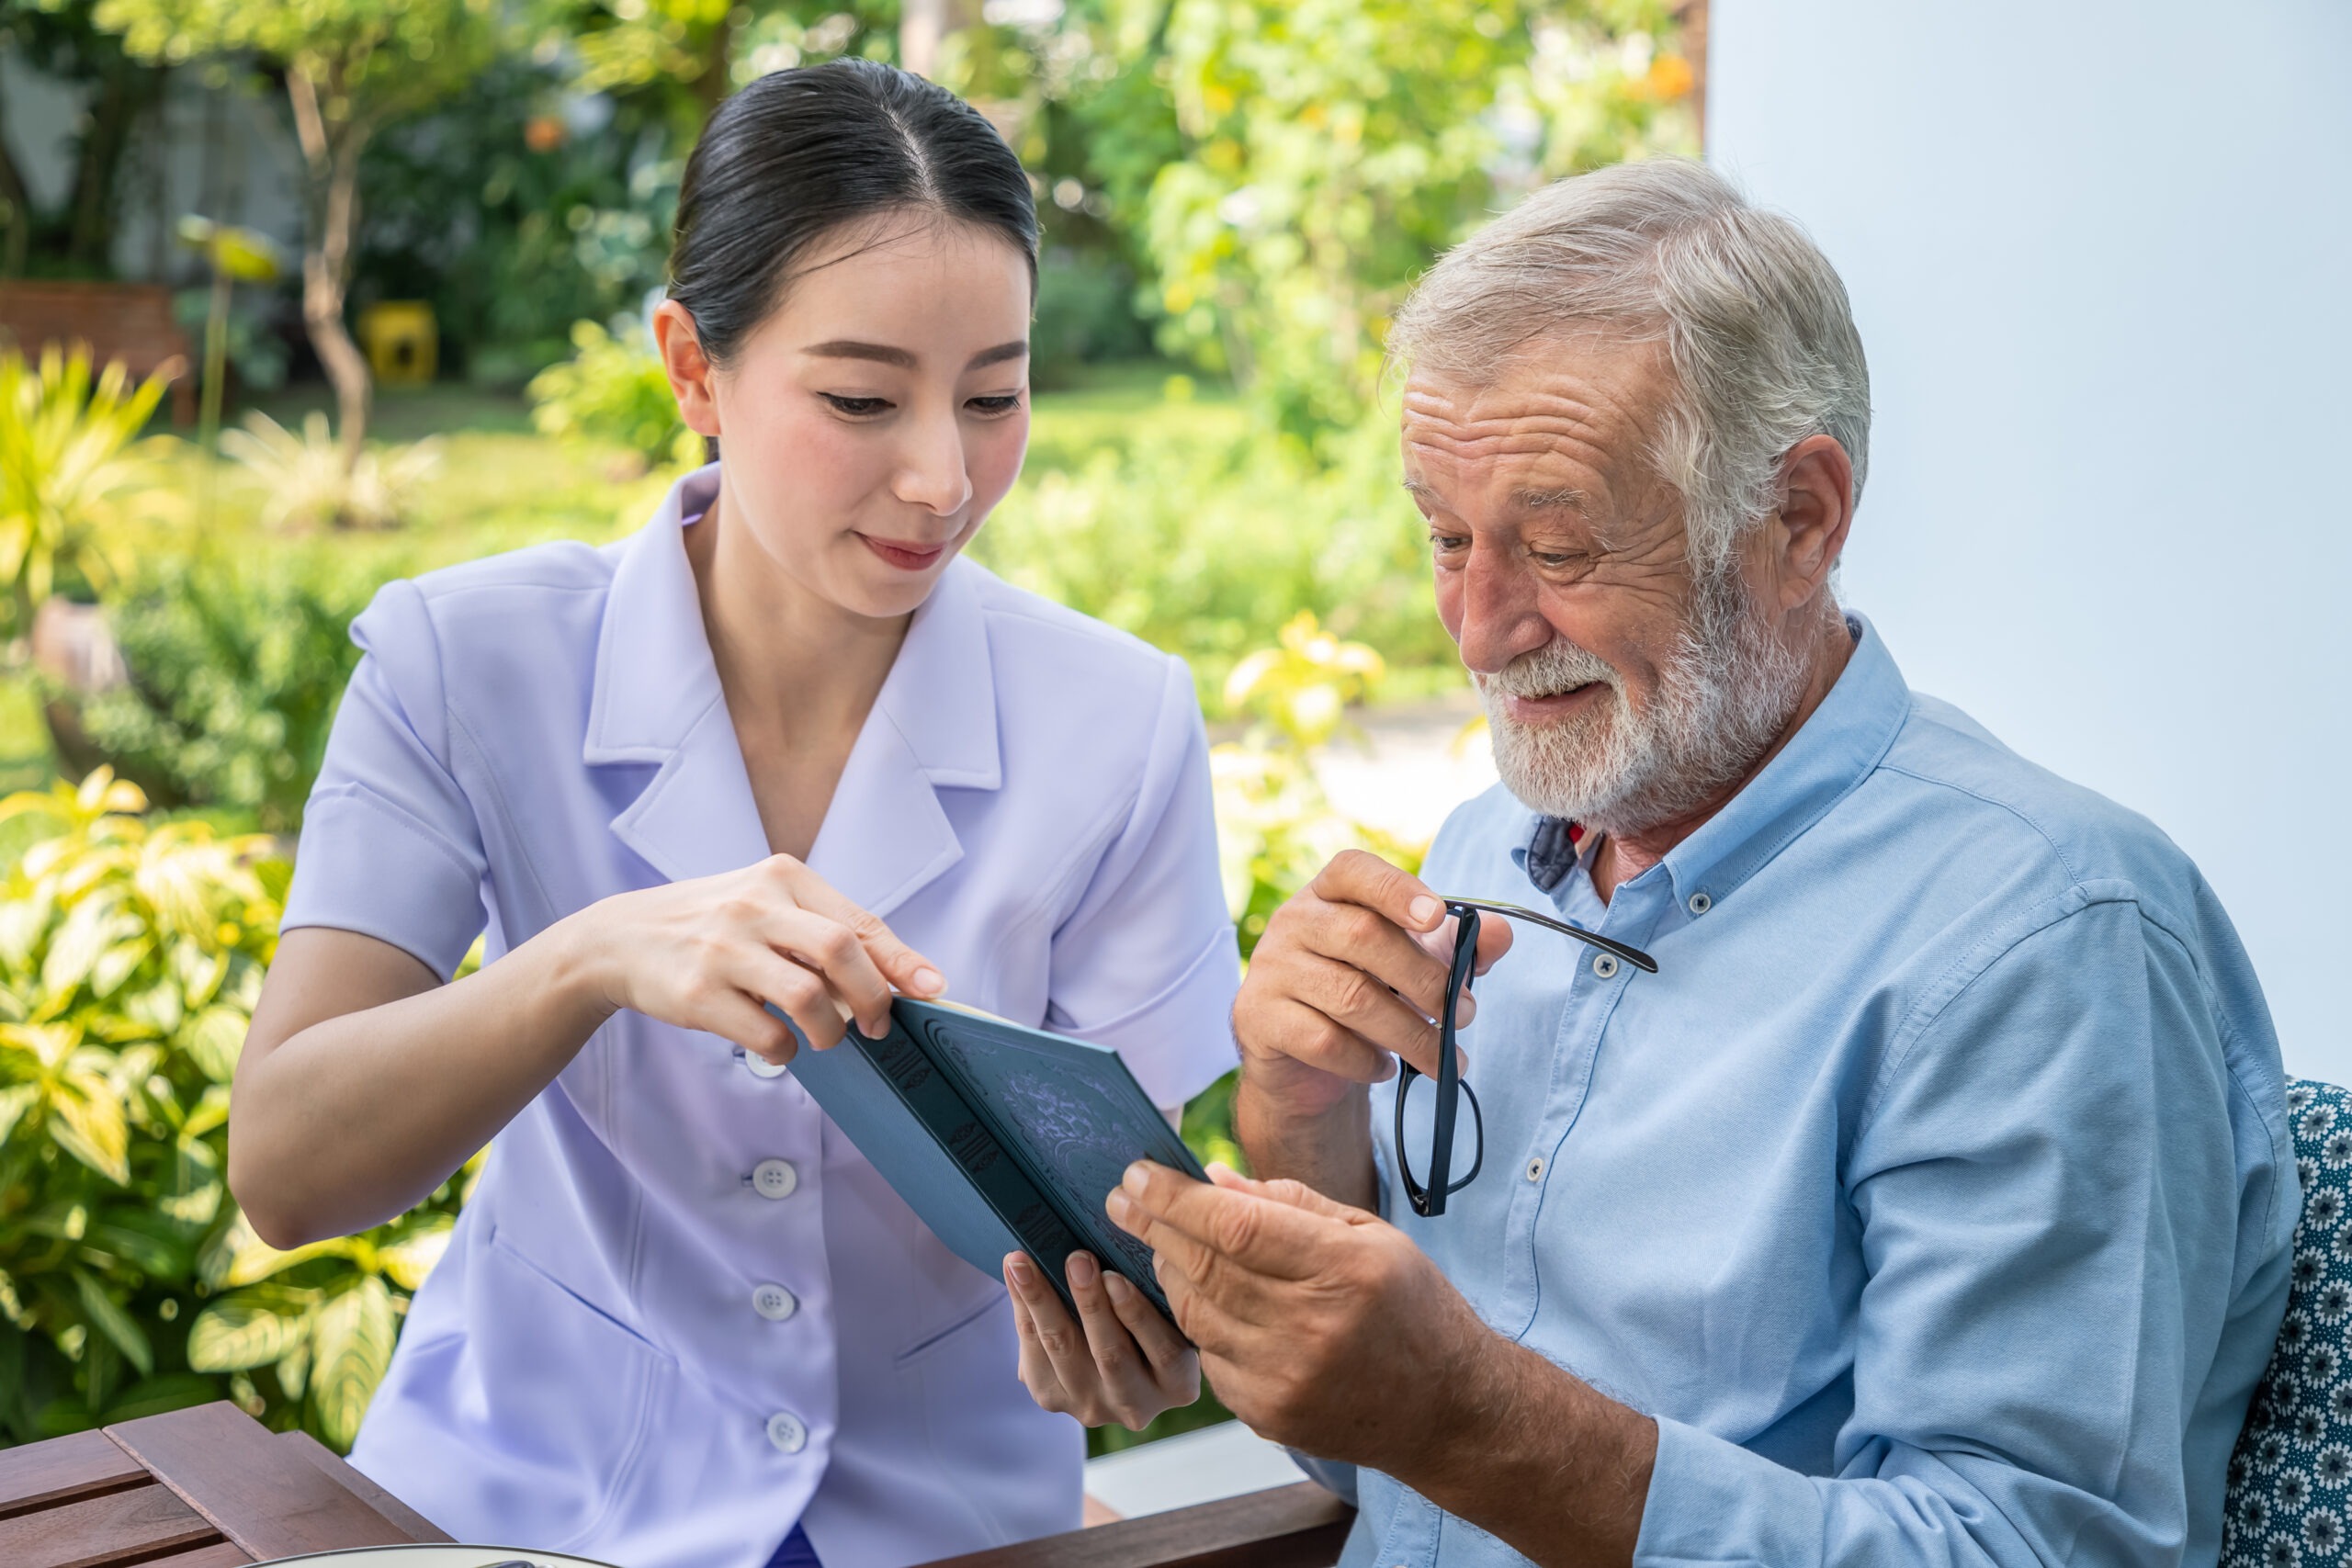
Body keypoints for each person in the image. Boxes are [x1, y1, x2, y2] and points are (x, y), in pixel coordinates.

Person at [1067, 160, 2296, 1567]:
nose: (1477, 631)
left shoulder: (2045, 941)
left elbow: (2031, 1551)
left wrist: (1463, 1413)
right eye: (1448, 541)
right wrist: (1295, 1114)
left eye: (1559, 546)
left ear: (1801, 519)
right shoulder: (1488, 856)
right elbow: (1363, 1464)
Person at [229, 60, 1236, 1568]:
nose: (941, 477)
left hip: (942, 1529)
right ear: (694, 368)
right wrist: (588, 959)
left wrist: (1152, 1342)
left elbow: (1142, 1226)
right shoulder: (463, 660)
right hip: (526, 1506)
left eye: (995, 397)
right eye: (859, 398)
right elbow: (288, 1170)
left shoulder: (1118, 720)